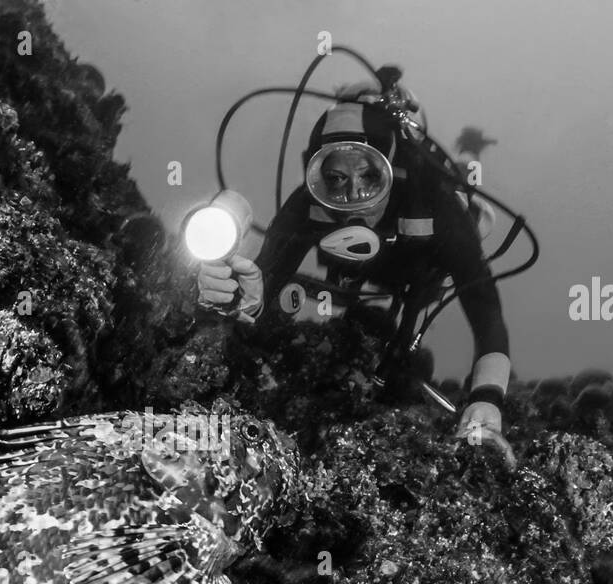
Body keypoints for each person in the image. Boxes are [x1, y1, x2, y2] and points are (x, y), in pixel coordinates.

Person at [197, 90, 513, 453]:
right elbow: (264, 283)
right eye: (334, 179)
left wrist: (487, 398)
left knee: (470, 202)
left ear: (392, 171)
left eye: (369, 177)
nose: (354, 198)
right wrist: (241, 300)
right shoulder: (306, 205)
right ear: (315, 175)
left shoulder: (436, 205)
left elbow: (487, 312)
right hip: (354, 273)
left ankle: (470, 148)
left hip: (422, 272)